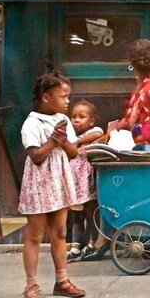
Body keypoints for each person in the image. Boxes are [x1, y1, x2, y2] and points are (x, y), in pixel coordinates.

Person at [19, 71, 85, 298]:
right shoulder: (32, 123)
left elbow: (74, 152)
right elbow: (36, 156)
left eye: (68, 96)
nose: (67, 101)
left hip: (58, 181)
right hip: (38, 183)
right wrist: (52, 140)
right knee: (35, 235)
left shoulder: (64, 120)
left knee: (60, 232)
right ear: (46, 97)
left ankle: (62, 280)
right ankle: (31, 285)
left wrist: (64, 139)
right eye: (63, 96)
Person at [66, 100, 103, 261]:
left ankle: (92, 243)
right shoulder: (69, 135)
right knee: (76, 216)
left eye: (82, 117)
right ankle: (75, 246)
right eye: (73, 116)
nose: (76, 120)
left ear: (92, 120)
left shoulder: (92, 132)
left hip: (88, 182)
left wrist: (79, 141)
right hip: (74, 183)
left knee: (91, 213)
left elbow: (99, 133)